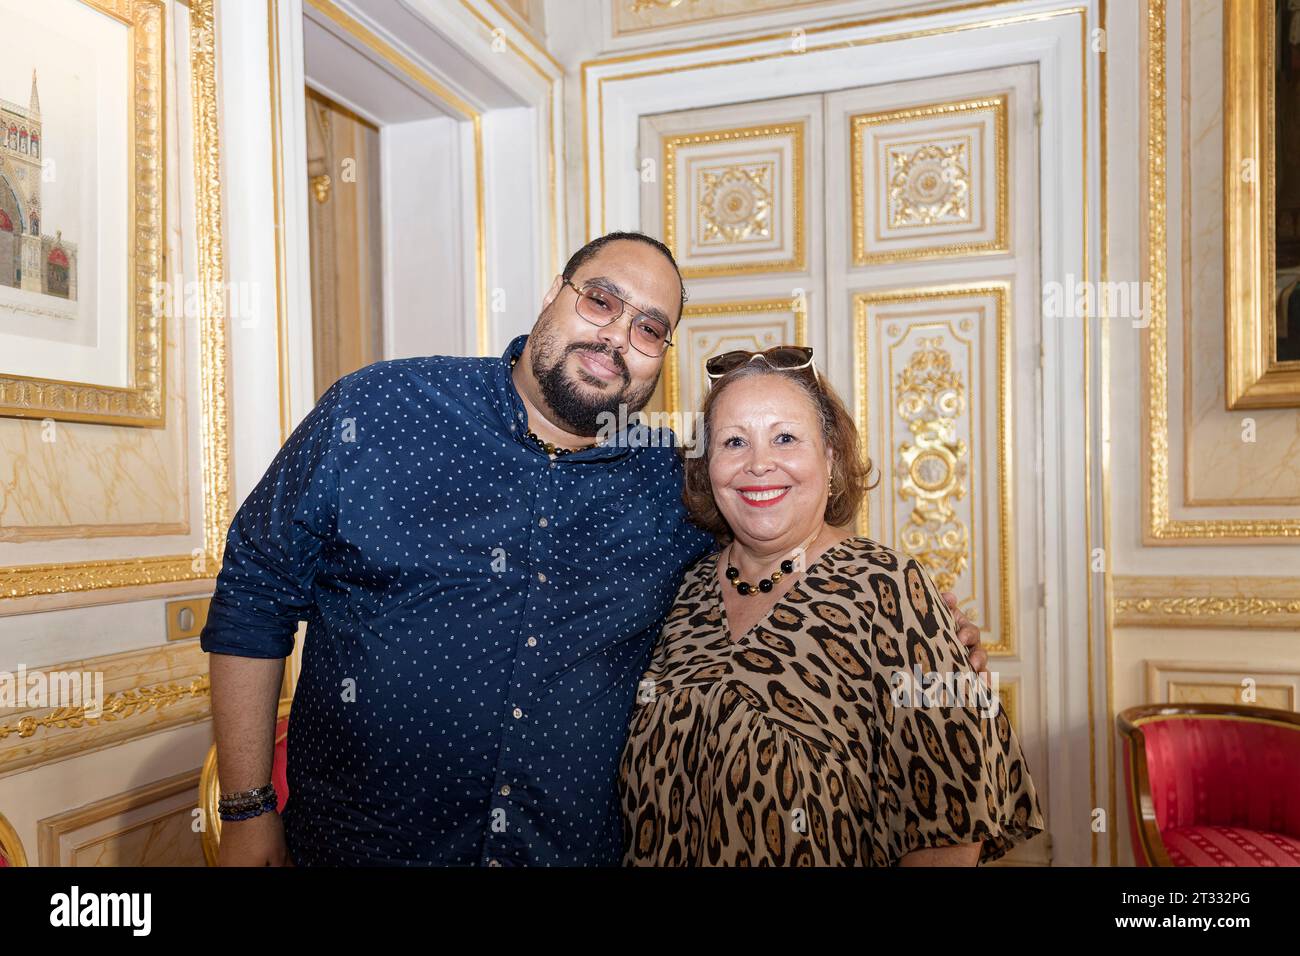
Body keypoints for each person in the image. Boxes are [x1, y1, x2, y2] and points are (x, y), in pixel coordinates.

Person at [200, 231, 988, 866]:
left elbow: (780, 520)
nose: (617, 334)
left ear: (661, 356)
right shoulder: (382, 409)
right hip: (363, 851)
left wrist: (904, 612)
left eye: (650, 327)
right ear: (554, 295)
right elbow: (253, 598)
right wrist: (246, 812)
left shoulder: (671, 483)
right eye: (601, 299)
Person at [619, 347, 1043, 865]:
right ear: (708, 467)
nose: (759, 463)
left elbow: (948, 825)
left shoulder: (891, 590)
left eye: (785, 438)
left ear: (832, 457)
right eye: (734, 441)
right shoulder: (681, 590)